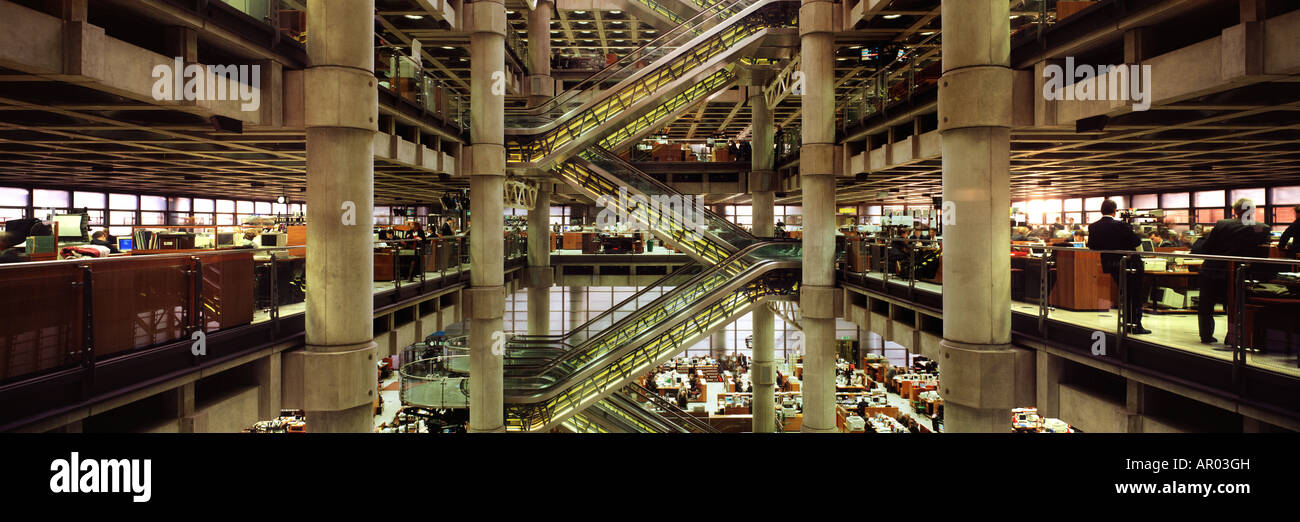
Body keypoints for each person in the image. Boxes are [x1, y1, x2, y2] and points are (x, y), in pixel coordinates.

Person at [1192, 198, 1271, 345]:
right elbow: (1262, 254)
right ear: (1252, 210)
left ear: (1235, 211)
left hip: (1212, 270)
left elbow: (1208, 247)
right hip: (1239, 272)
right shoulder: (1261, 228)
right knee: (1235, 305)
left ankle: (1206, 335)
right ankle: (1233, 336)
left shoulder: (1223, 224)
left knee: (1206, 304)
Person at [1088, 199, 1149, 334]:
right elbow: (1136, 241)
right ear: (1114, 211)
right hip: (1130, 264)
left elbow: (1092, 246)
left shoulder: (1093, 227)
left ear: (1101, 211)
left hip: (1111, 265)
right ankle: (1136, 325)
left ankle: (1127, 323)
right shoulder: (1121, 225)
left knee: (1124, 293)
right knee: (1135, 295)